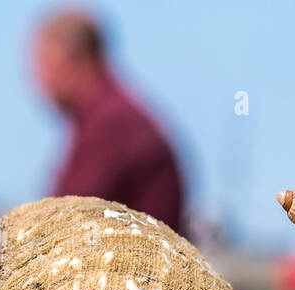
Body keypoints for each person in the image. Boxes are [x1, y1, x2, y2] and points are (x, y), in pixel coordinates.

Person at [29, 9, 185, 233]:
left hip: (135, 260)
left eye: (41, 64)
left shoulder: (112, 123)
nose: (38, 80)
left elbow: (65, 218)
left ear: (64, 57)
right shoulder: (114, 113)